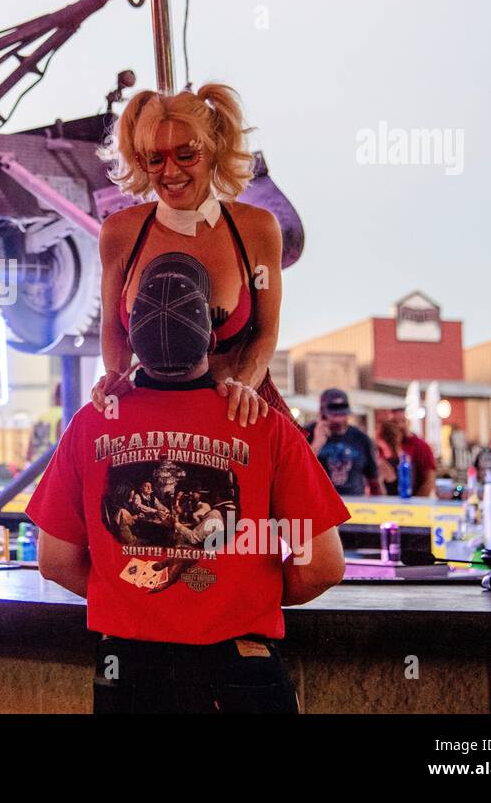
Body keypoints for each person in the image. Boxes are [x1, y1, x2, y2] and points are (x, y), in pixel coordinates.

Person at [29, 251, 348, 714]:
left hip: (128, 669)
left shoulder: (93, 423)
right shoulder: (262, 424)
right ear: (212, 335)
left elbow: (56, 560)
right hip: (240, 665)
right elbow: (322, 566)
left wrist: (131, 596)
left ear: (133, 339)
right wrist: (239, 597)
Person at [92, 85, 286, 428]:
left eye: (186, 155)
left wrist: (243, 386)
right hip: (155, 418)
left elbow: (265, 333)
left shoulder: (257, 229)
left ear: (214, 150)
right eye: (155, 158)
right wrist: (115, 376)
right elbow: (113, 329)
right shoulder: (119, 234)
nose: (170, 172)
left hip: (238, 416)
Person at [302, 390, 382, 497]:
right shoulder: (306, 434)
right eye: (333, 411)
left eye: (341, 411)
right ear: (322, 413)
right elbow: (297, 472)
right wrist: (317, 444)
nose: (338, 417)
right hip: (318, 503)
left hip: (354, 504)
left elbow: (374, 481)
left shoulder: (362, 439)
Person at [374, 413, 436, 497]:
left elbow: (429, 480)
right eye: (394, 422)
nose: (399, 425)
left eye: (402, 421)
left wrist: (416, 503)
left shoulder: (420, 446)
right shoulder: (387, 451)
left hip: (411, 502)